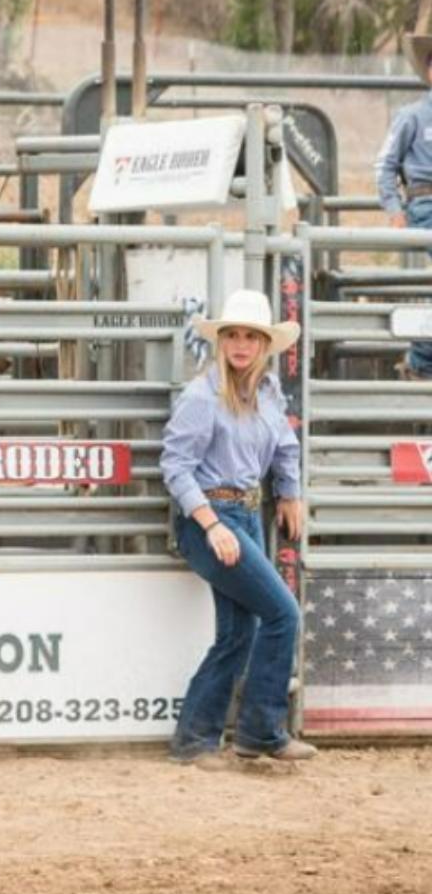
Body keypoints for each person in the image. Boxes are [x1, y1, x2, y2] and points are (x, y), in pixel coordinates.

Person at [160, 289, 313, 769]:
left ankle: (195, 739)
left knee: (237, 635)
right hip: (210, 519)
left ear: (265, 344)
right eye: (233, 335)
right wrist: (211, 526)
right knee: (282, 614)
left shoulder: (267, 392)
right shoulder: (202, 397)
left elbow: (285, 448)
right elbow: (176, 467)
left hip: (246, 515)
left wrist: (289, 493)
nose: (242, 344)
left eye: (251, 336)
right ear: (221, 340)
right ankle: (260, 731)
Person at [374, 33, 432, 382]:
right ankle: (421, 361)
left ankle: (421, 360)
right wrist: (396, 210)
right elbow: (385, 166)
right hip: (425, 205)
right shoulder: (412, 116)